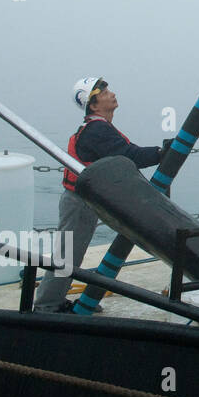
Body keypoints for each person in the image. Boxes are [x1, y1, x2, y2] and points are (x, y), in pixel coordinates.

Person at [35, 77, 164, 313]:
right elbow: (130, 155)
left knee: (71, 255)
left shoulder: (100, 128)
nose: (111, 93)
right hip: (80, 202)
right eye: (104, 92)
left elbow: (126, 154)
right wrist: (162, 152)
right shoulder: (97, 130)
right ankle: (47, 305)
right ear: (93, 105)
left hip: (85, 200)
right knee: (67, 256)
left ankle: (54, 300)